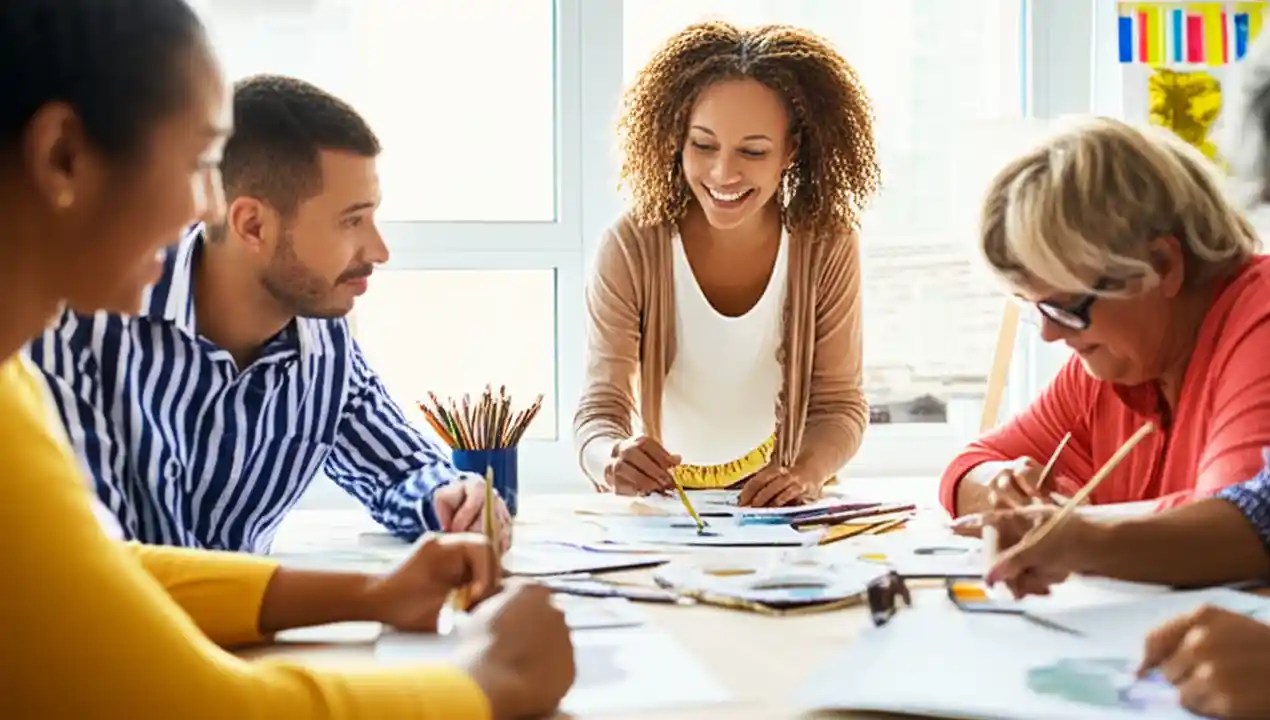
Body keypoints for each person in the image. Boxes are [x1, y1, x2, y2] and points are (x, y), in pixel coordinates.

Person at [2, 1, 572, 718]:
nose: (208, 206)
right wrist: (490, 684)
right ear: (62, 157)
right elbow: (181, 695)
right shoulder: (47, 358)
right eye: (200, 161)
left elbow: (100, 573)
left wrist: (373, 592)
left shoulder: (10, 381)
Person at [27, 73, 511, 552]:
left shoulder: (323, 341)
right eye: (352, 221)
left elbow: (403, 471)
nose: (380, 250)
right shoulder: (85, 327)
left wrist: (455, 497)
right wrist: (371, 597)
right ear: (252, 225)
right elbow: (113, 568)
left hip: (244, 627)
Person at [574, 21, 880, 507]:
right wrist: (609, 457)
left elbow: (839, 404)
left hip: (777, 508)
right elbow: (599, 407)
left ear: (791, 151)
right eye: (703, 145)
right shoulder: (631, 244)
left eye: (753, 151)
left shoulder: (827, 244)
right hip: (667, 505)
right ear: (676, 139)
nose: (722, 173)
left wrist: (804, 474)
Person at [939, 116, 1270, 519]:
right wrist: (1003, 487)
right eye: (1038, 308)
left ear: (1162, 264)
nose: (1049, 333)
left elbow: (1243, 525)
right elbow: (966, 470)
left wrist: (1076, 532)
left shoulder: (1265, 319)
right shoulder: (1113, 367)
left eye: (1066, 307)